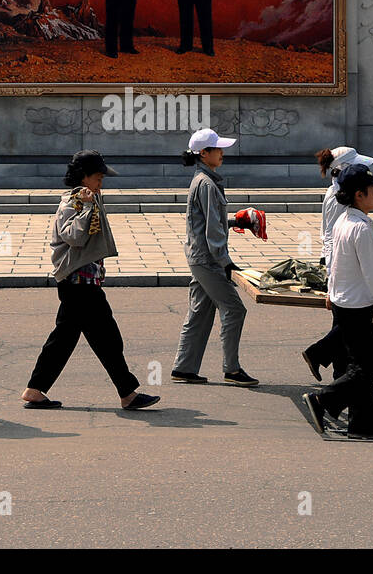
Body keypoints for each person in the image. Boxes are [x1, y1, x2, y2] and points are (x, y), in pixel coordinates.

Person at [21, 150, 160, 411]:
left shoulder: (88, 198)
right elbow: (73, 237)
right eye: (97, 178)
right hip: (77, 282)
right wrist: (85, 207)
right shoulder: (73, 202)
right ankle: (127, 393)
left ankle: (35, 389)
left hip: (84, 280)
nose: (101, 183)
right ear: (84, 177)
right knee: (106, 337)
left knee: (67, 338)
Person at [302, 164, 373, 439]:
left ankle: (363, 426)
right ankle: (323, 400)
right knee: (370, 368)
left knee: (356, 367)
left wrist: (330, 292)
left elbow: (334, 263)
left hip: (343, 302)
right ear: (359, 194)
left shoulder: (344, 221)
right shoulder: (361, 229)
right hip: (355, 307)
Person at [171, 128, 259, 387]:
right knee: (234, 309)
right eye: (217, 149)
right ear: (203, 153)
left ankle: (184, 368)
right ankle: (231, 369)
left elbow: (210, 222)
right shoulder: (206, 184)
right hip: (208, 260)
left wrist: (234, 221)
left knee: (199, 313)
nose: (222, 153)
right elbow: (212, 231)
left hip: (200, 257)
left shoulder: (204, 180)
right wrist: (226, 262)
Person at [301, 145, 373, 383]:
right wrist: (333, 277)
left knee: (349, 321)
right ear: (343, 169)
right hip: (339, 261)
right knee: (352, 321)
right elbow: (332, 237)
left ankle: (336, 368)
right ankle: (334, 367)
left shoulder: (339, 192)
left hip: (341, 260)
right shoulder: (337, 198)